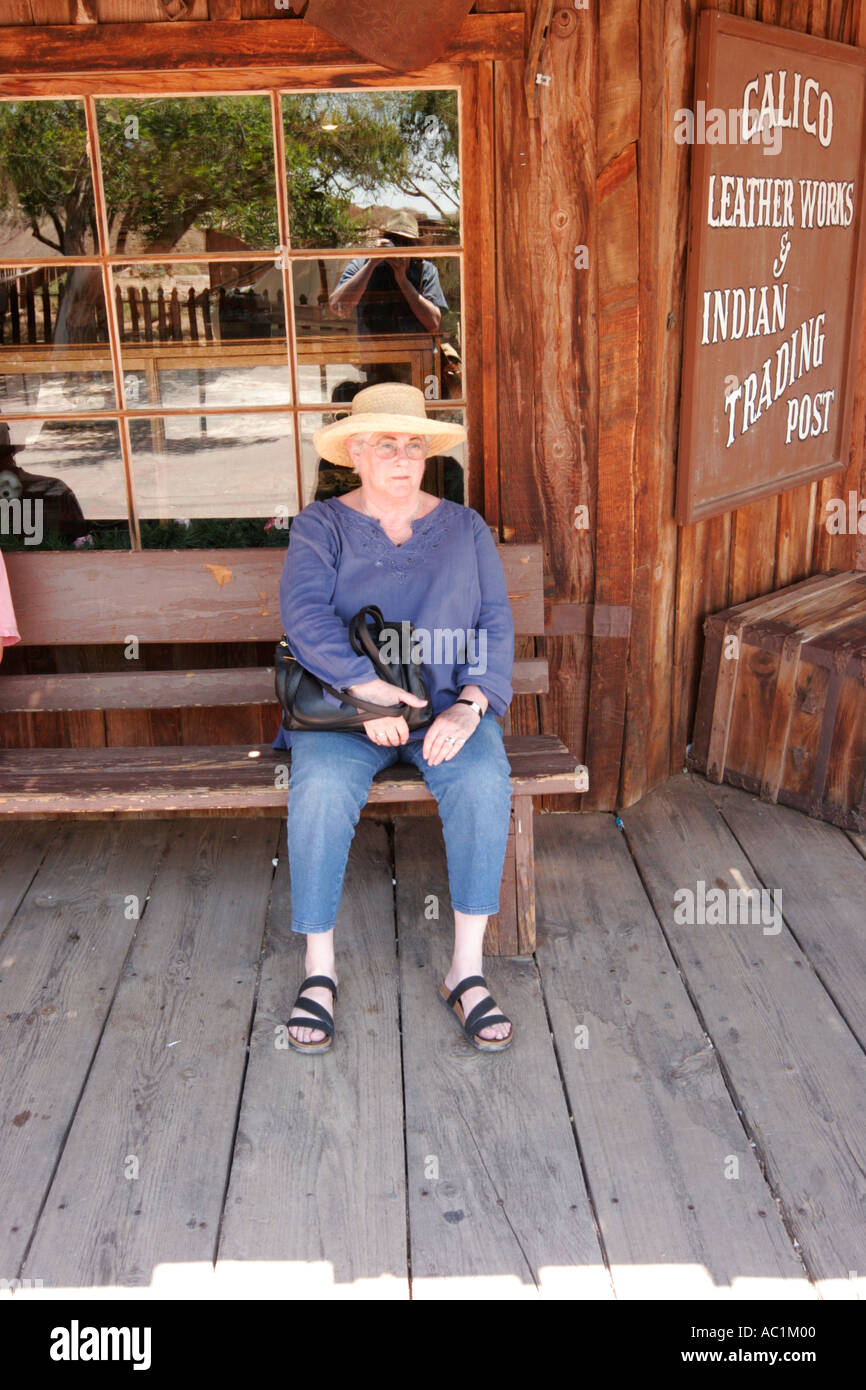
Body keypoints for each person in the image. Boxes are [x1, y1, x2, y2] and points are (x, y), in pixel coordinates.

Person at [274, 382, 516, 1055]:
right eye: (387, 444)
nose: (404, 458)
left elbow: (495, 620)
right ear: (357, 451)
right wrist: (365, 691)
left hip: (444, 711)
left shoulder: (464, 527)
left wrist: (472, 705)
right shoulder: (321, 526)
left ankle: (465, 970)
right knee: (318, 790)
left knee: (482, 783)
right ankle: (318, 970)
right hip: (347, 716)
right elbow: (306, 616)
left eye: (414, 444)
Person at [329, 209, 448, 341]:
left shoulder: (425, 271)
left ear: (414, 247)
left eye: (406, 243)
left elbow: (434, 324)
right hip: (375, 357)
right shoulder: (362, 265)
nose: (399, 248)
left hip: (416, 357)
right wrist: (371, 264)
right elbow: (338, 307)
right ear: (384, 240)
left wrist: (403, 281)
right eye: (394, 240)